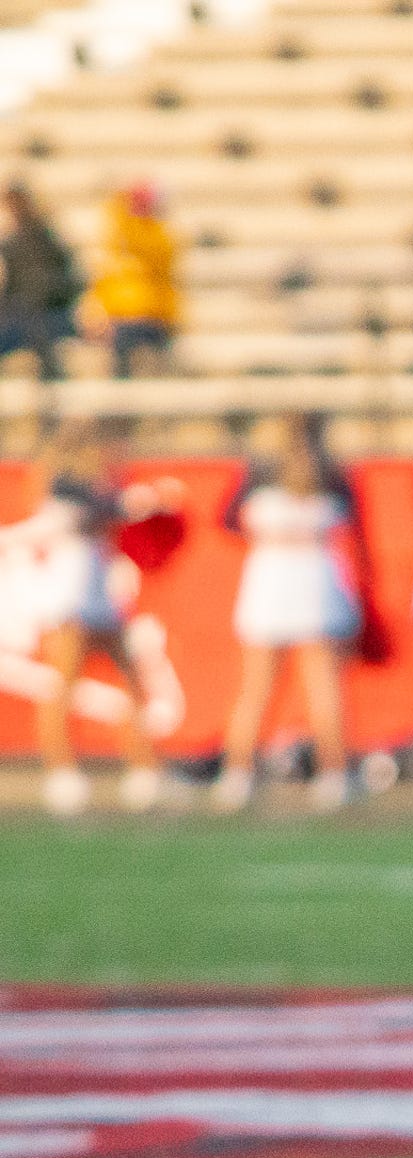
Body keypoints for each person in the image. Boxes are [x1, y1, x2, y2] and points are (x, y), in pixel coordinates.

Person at [7, 424, 169, 813]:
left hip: (98, 589)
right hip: (69, 591)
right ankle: (61, 771)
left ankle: (143, 768)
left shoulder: (95, 486)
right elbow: (97, 507)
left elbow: (110, 514)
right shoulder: (64, 483)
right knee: (64, 681)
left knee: (130, 678)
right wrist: (129, 502)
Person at [214, 414, 362, 812]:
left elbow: (226, 519)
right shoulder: (331, 473)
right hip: (316, 582)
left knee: (256, 688)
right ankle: (334, 776)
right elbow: (354, 523)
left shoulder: (260, 472)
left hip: (271, 581)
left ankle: (238, 775)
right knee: (324, 688)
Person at [89, 183, 178, 378]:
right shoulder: (116, 239)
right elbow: (104, 282)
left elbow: (158, 258)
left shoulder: (158, 235)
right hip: (119, 317)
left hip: (151, 316)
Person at [0, 184, 80, 382]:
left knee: (38, 328)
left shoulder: (46, 239)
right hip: (20, 314)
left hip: (50, 312)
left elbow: (66, 279)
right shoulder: (10, 244)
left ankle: (53, 387)